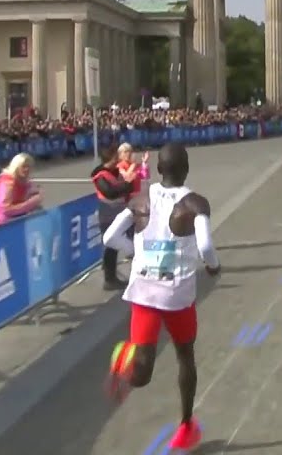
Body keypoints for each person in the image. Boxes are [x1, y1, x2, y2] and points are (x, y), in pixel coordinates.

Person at [101, 143, 220, 451]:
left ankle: (124, 358)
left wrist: (134, 254)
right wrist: (213, 266)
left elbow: (110, 237)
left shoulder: (140, 200)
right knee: (185, 356)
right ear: (186, 169)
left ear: (159, 170)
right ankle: (185, 425)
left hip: (143, 291)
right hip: (178, 296)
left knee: (140, 376)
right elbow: (205, 245)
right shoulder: (195, 203)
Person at [91, 146, 138, 290]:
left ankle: (112, 276)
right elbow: (109, 192)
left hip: (119, 210)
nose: (117, 159)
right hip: (107, 212)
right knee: (109, 246)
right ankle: (109, 279)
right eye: (115, 157)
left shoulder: (116, 171)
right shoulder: (100, 175)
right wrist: (126, 185)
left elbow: (128, 187)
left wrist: (126, 185)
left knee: (114, 246)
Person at [0, 153, 44, 228]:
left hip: (14, 221)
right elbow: (6, 210)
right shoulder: (7, 182)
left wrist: (35, 196)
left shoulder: (26, 182)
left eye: (29, 167)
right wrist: (31, 203)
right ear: (16, 167)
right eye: (24, 166)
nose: (27, 169)